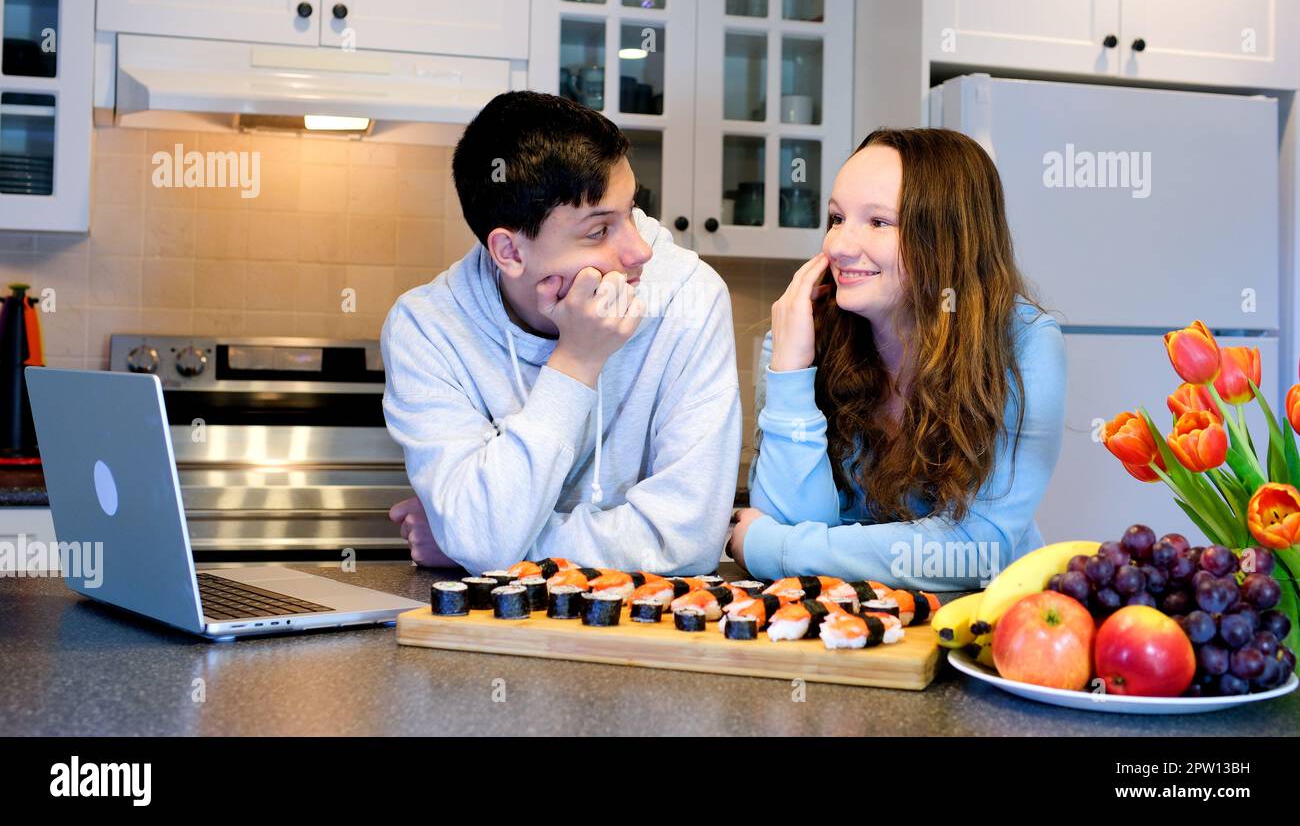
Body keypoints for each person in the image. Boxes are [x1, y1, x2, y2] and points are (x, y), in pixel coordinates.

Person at [383, 90, 741, 575]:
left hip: (649, 631)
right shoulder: (427, 329)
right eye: (599, 231)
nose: (639, 252)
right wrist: (576, 362)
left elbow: (684, 541)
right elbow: (480, 534)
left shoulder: (690, 297)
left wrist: (485, 546)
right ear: (509, 252)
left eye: (631, 212)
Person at [728, 127, 1067, 590]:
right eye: (836, 217)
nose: (840, 246)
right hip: (839, 626)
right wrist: (790, 371)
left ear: (949, 238)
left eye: (878, 222)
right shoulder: (800, 340)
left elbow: (976, 549)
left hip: (976, 632)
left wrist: (777, 551)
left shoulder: (1023, 344)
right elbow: (792, 519)